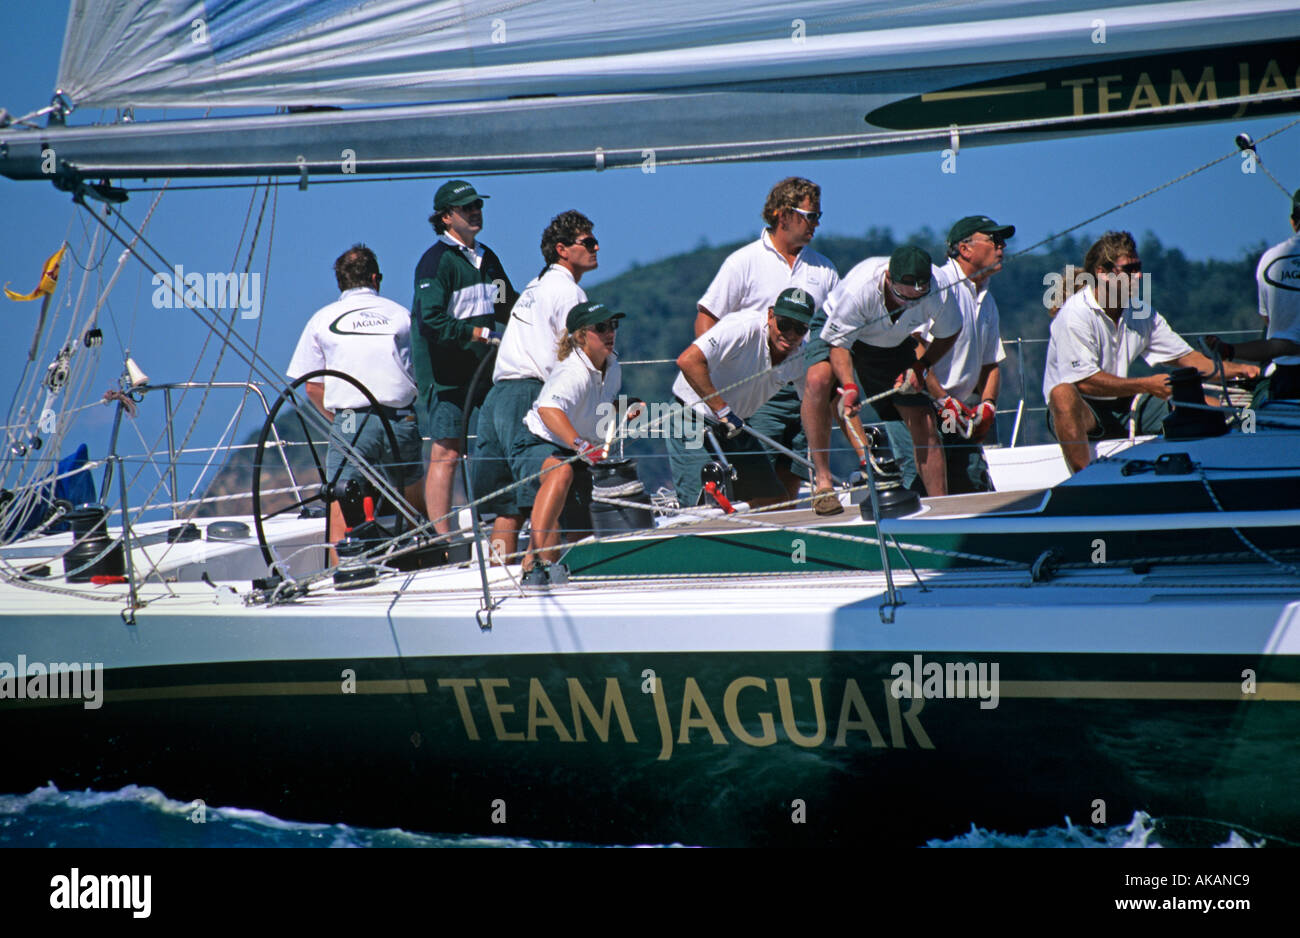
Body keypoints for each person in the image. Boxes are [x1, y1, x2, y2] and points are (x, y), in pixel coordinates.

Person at [1044, 231, 1258, 473]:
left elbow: (1187, 359)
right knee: (1062, 394)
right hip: (1084, 409)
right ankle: (1084, 481)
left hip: (1125, 404)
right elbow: (1084, 383)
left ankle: (1220, 470)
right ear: (1102, 273)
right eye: (1129, 269)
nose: (1138, 276)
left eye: (1139, 267)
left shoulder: (1141, 312)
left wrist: (1240, 370)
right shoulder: (1075, 314)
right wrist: (1146, 385)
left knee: (1208, 406)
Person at [695, 177, 842, 513]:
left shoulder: (825, 270)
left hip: (809, 392)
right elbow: (708, 317)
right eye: (810, 215)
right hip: (758, 392)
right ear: (782, 215)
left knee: (791, 485)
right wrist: (715, 382)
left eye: (818, 216)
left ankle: (789, 556)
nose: (816, 223)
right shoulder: (744, 262)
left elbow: (838, 331)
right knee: (760, 490)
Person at [473, 211, 599, 562]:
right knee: (551, 490)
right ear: (562, 249)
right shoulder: (569, 293)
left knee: (507, 504)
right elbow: (576, 358)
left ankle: (500, 578)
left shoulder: (533, 287)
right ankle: (537, 568)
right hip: (529, 395)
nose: (596, 247)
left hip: (496, 397)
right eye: (587, 242)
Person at [286, 244, 425, 546]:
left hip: (350, 420)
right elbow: (420, 371)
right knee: (412, 498)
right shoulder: (401, 315)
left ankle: (342, 571)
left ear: (340, 282)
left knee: (339, 497)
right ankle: (420, 557)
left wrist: (340, 421)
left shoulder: (322, 319)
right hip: (401, 419)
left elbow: (311, 386)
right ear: (376, 278)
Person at [411, 179, 518, 535]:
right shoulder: (434, 263)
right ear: (445, 218)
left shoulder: (488, 259)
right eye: (467, 208)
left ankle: (501, 522)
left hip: (487, 372)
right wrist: (477, 333)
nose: (476, 212)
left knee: (503, 443)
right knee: (447, 452)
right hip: (447, 376)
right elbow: (432, 319)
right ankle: (440, 537)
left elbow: (507, 304)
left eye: (478, 206)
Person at [821, 246, 963, 497]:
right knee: (824, 382)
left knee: (923, 418)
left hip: (893, 341)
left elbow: (949, 333)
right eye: (902, 297)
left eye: (917, 300)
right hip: (842, 334)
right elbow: (839, 345)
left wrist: (920, 367)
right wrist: (851, 386)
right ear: (888, 278)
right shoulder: (860, 290)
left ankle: (941, 506)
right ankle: (867, 464)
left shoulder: (939, 288)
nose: (909, 304)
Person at [669, 287, 818, 509]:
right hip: (692, 419)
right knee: (702, 510)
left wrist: (822, 471)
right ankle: (721, 518)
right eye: (785, 324)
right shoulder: (742, 327)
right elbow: (688, 361)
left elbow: (814, 401)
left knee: (776, 502)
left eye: (800, 328)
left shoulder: (801, 355)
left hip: (736, 426)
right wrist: (722, 411)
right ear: (770, 316)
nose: (791, 334)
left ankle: (734, 513)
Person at [513, 301, 626, 586]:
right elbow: (548, 410)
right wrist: (579, 444)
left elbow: (603, 407)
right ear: (581, 336)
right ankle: (531, 562)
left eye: (613, 325)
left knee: (582, 536)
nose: (609, 332)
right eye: (601, 327)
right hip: (538, 443)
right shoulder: (572, 372)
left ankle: (574, 575)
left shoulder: (613, 367)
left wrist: (625, 413)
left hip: (577, 451)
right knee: (561, 471)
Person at [914, 215, 1014, 494]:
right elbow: (913, 344)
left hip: (960, 412)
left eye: (1003, 241)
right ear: (965, 249)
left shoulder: (987, 299)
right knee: (928, 490)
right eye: (994, 240)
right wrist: (942, 398)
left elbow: (991, 363)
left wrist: (989, 405)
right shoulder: (939, 282)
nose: (1002, 247)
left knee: (973, 486)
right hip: (924, 407)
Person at [1207, 188, 1300, 401]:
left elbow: (1269, 321)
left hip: (1285, 380)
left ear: (1293, 222)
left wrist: (1229, 351)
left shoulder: (1270, 259)